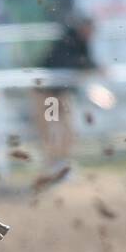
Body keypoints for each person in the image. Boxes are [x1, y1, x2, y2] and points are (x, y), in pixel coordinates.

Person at [32, 14, 96, 190]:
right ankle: (52, 166)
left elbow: (83, 63)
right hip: (48, 94)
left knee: (68, 129)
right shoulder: (67, 42)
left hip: (61, 93)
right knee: (53, 130)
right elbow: (72, 63)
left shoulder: (81, 43)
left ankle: (62, 165)